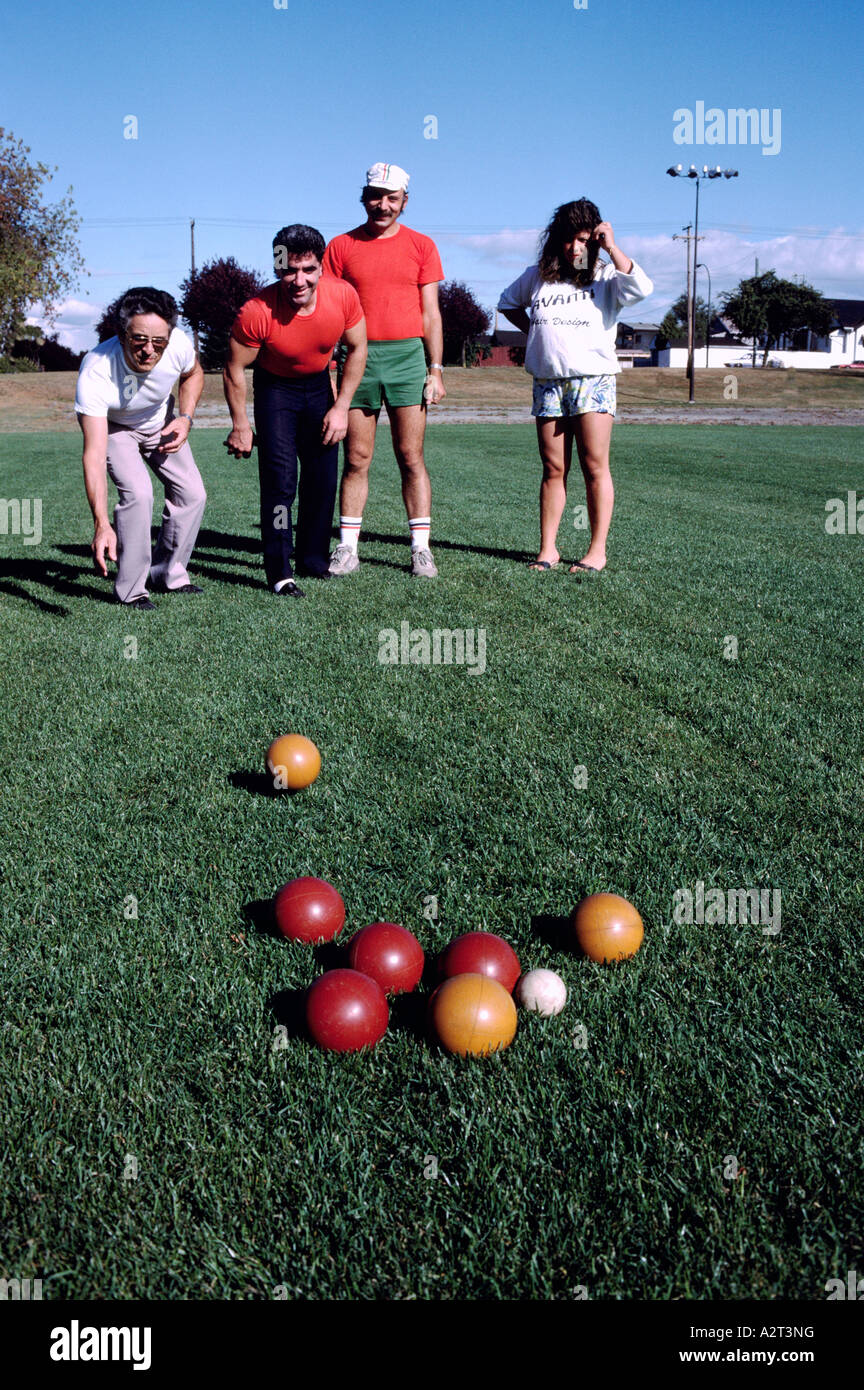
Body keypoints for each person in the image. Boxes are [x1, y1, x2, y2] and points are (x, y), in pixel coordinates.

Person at [497, 200, 653, 575]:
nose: (575, 248)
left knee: (594, 466)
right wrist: (535, 330)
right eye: (568, 239)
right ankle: (548, 550)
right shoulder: (538, 276)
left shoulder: (605, 277)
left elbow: (642, 288)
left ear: (595, 241)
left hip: (592, 380)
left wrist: (612, 246)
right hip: (549, 382)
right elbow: (507, 303)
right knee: (553, 468)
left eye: (584, 240)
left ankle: (596, 551)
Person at [224, 224, 367, 597]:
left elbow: (358, 348)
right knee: (281, 482)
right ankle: (280, 569)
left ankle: (313, 559)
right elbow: (234, 367)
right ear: (276, 268)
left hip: (320, 388)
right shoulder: (257, 310)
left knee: (322, 480)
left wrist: (341, 406)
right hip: (276, 392)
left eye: (307, 270)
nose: (298, 280)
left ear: (322, 268)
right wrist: (240, 424)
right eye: (288, 270)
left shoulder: (343, 296)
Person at [322, 162, 446, 579]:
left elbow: (431, 314)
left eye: (392, 198)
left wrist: (436, 368)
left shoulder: (422, 245)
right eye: (376, 195)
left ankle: (421, 549)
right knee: (356, 457)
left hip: (409, 357)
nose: (383, 205)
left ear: (405, 201)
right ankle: (347, 548)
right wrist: (328, 363)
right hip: (357, 357)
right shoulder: (339, 247)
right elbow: (330, 310)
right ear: (364, 196)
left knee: (410, 455)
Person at [75, 287, 206, 609]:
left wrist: (186, 418)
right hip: (118, 430)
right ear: (121, 335)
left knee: (193, 494)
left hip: (161, 423)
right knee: (139, 493)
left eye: (158, 342)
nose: (149, 350)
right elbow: (93, 452)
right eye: (139, 341)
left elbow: (193, 373)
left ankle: (168, 574)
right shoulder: (96, 369)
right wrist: (101, 523)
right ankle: (132, 590)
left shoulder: (177, 344)